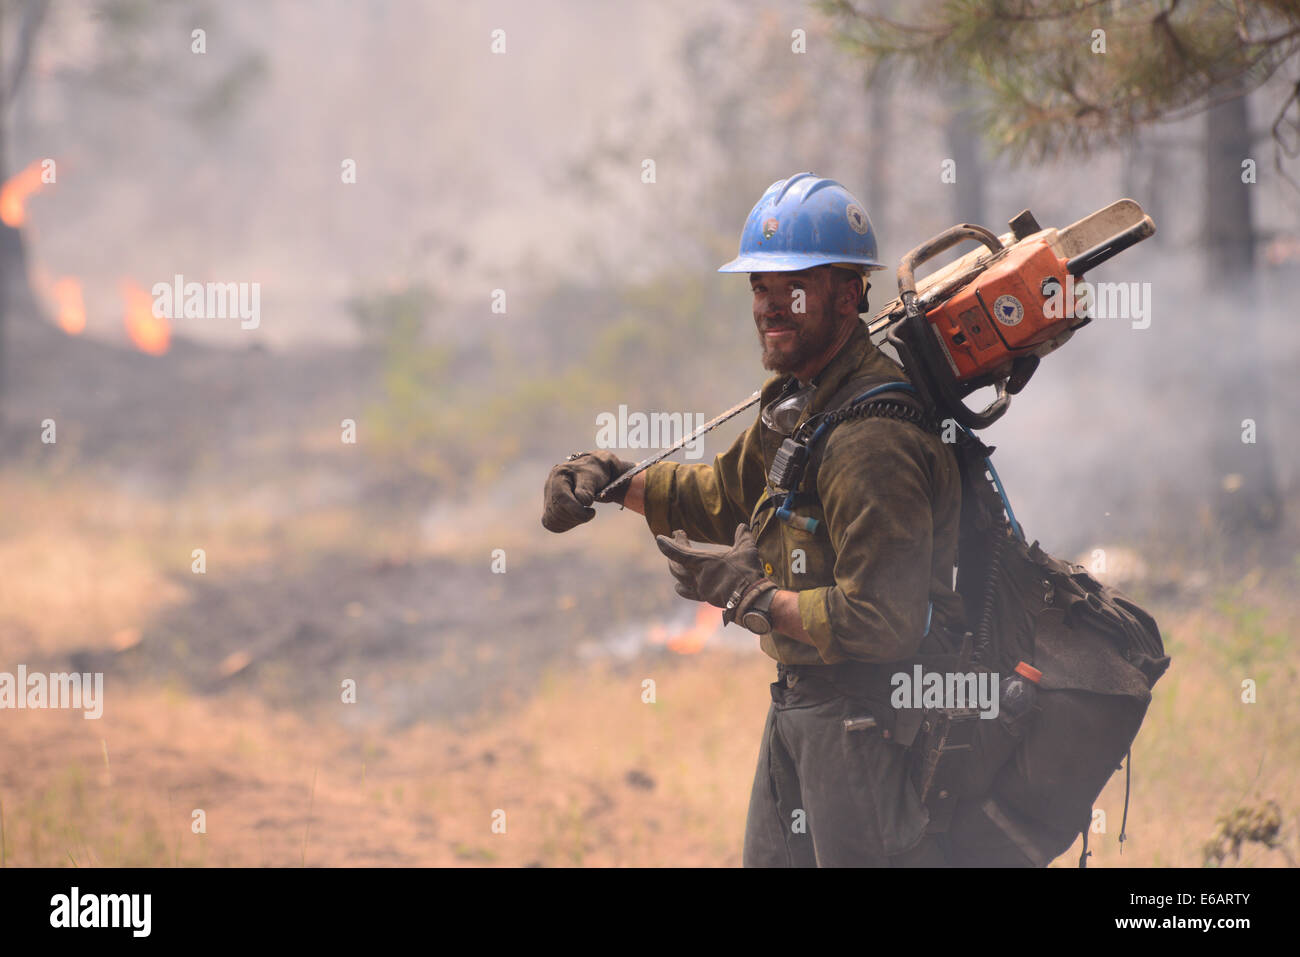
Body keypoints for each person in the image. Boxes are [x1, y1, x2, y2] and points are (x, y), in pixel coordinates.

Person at [541, 172, 965, 867]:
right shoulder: (800, 402)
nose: (771, 304)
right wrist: (613, 480)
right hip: (801, 708)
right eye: (759, 286)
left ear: (849, 293)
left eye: (793, 286)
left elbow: (885, 619)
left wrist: (754, 599)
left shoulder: (871, 438)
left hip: (863, 723)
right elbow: (726, 495)